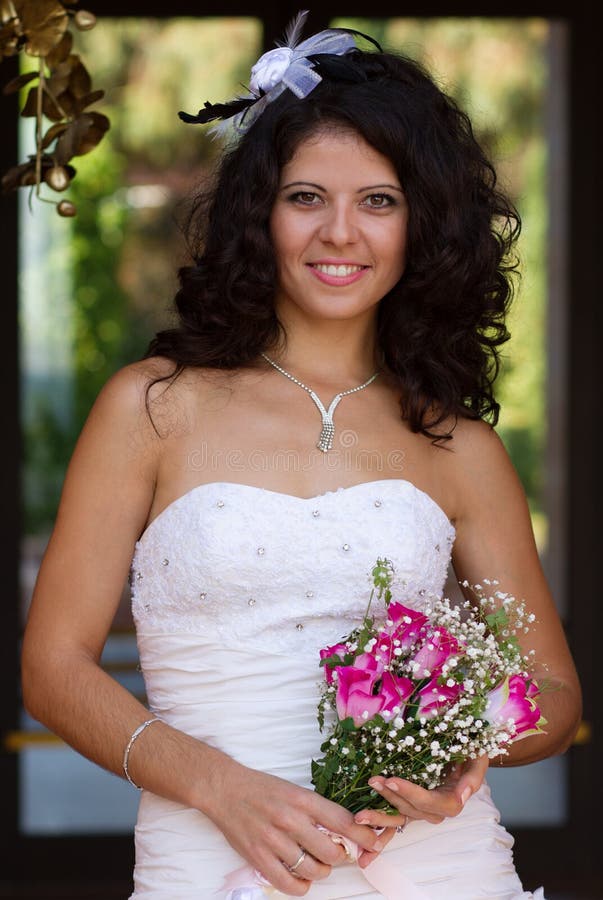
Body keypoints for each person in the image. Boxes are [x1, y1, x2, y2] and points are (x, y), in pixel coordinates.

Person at [22, 12, 581, 900]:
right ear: (259, 212)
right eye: (306, 197)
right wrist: (220, 788)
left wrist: (463, 746)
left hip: (439, 868)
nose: (340, 233)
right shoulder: (153, 407)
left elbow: (550, 691)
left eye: (379, 201)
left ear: (423, 225)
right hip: (206, 857)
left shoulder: (458, 445)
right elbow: (52, 669)